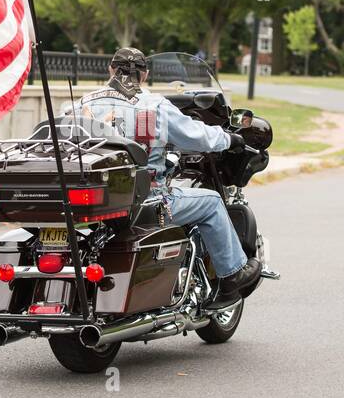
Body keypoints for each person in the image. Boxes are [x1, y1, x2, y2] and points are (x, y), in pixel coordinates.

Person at [70, 47, 261, 309]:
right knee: (212, 202)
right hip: (147, 203)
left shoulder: (82, 104)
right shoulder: (153, 105)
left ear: (111, 70)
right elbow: (195, 135)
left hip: (98, 202)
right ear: (144, 75)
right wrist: (229, 138)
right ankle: (231, 275)